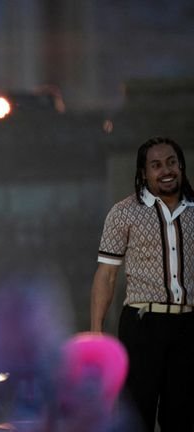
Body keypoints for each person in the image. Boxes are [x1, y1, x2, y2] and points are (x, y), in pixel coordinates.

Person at [90, 136, 194, 431]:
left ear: (181, 166)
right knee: (138, 412)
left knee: (183, 415)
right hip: (142, 324)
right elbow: (106, 274)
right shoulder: (124, 213)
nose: (166, 171)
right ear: (144, 173)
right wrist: (97, 332)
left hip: (188, 326)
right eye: (156, 165)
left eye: (172, 162)